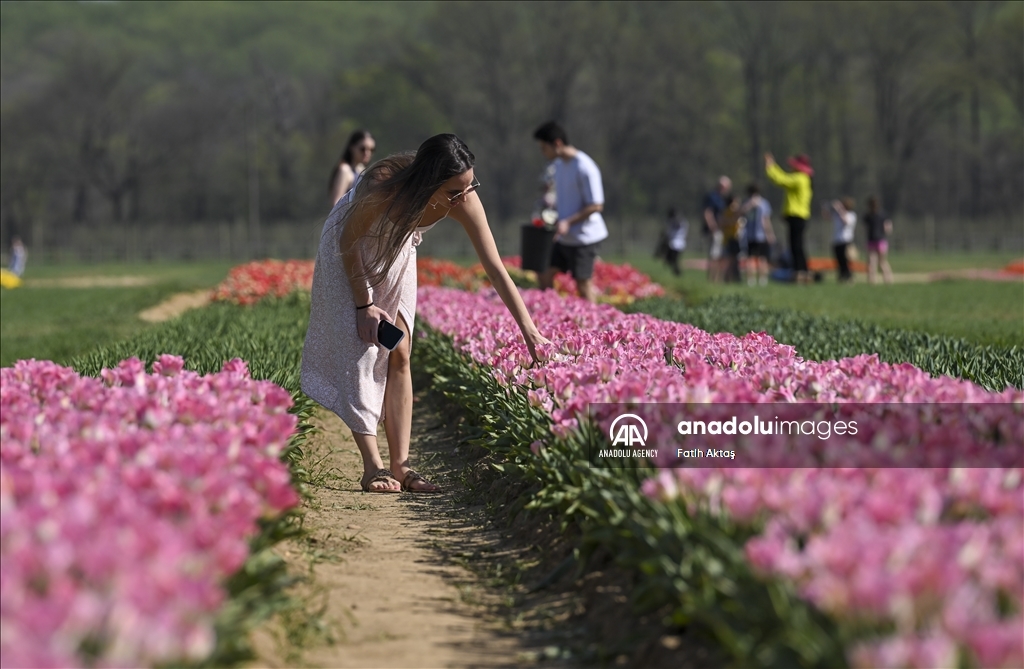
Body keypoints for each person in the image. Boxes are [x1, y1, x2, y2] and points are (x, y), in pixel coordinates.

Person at [301, 134, 549, 493]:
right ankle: (373, 466)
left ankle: (401, 465)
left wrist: (529, 329)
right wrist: (364, 306)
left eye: (470, 185)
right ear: (427, 183)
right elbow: (349, 244)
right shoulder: (383, 186)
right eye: (453, 191)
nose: (464, 197)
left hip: (399, 247)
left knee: (400, 350)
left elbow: (494, 267)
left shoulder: (463, 196)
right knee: (362, 347)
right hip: (349, 250)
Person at [532, 121, 607, 303]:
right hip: (565, 237)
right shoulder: (558, 165)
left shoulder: (585, 167)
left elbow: (596, 205)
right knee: (543, 273)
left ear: (557, 143)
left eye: (544, 148)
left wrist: (568, 222)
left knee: (583, 284)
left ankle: (595, 324)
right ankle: (550, 313)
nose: (543, 153)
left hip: (584, 237)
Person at [765, 153, 813, 284]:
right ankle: (802, 271)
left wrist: (771, 166)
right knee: (796, 245)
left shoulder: (800, 178)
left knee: (796, 246)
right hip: (798, 216)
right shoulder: (804, 178)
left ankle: (800, 272)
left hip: (797, 216)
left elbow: (781, 179)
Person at [328, 130, 376, 206]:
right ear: (352, 147)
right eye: (362, 149)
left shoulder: (362, 170)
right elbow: (336, 203)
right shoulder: (345, 170)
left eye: (371, 150)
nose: (367, 153)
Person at [741, 184, 775, 286]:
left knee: (752, 258)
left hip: (753, 235)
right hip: (758, 235)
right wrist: (770, 233)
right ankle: (761, 280)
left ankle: (753, 281)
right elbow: (766, 220)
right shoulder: (763, 203)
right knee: (761, 258)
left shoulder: (749, 202)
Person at [702, 176, 731, 282]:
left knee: (721, 255)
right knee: (714, 254)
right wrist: (712, 226)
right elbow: (708, 212)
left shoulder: (724, 198)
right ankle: (711, 278)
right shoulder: (712, 197)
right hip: (715, 229)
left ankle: (718, 278)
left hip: (724, 230)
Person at [864, 196, 894, 284]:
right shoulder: (883, 215)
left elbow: (865, 228)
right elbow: (888, 228)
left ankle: (872, 281)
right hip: (881, 240)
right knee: (882, 262)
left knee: (872, 262)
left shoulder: (868, 216)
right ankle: (888, 280)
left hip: (872, 240)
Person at [827, 197, 856, 283]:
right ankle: (842, 276)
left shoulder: (851, 215)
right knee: (838, 260)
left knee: (845, 261)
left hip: (846, 241)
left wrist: (840, 210)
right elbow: (827, 218)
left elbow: (845, 221)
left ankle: (848, 276)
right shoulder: (837, 215)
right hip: (837, 240)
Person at [662, 207, 688, 276]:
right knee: (671, 260)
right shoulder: (678, 221)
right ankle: (676, 272)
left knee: (673, 260)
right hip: (674, 243)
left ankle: (677, 272)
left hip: (676, 243)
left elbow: (677, 225)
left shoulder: (679, 221)